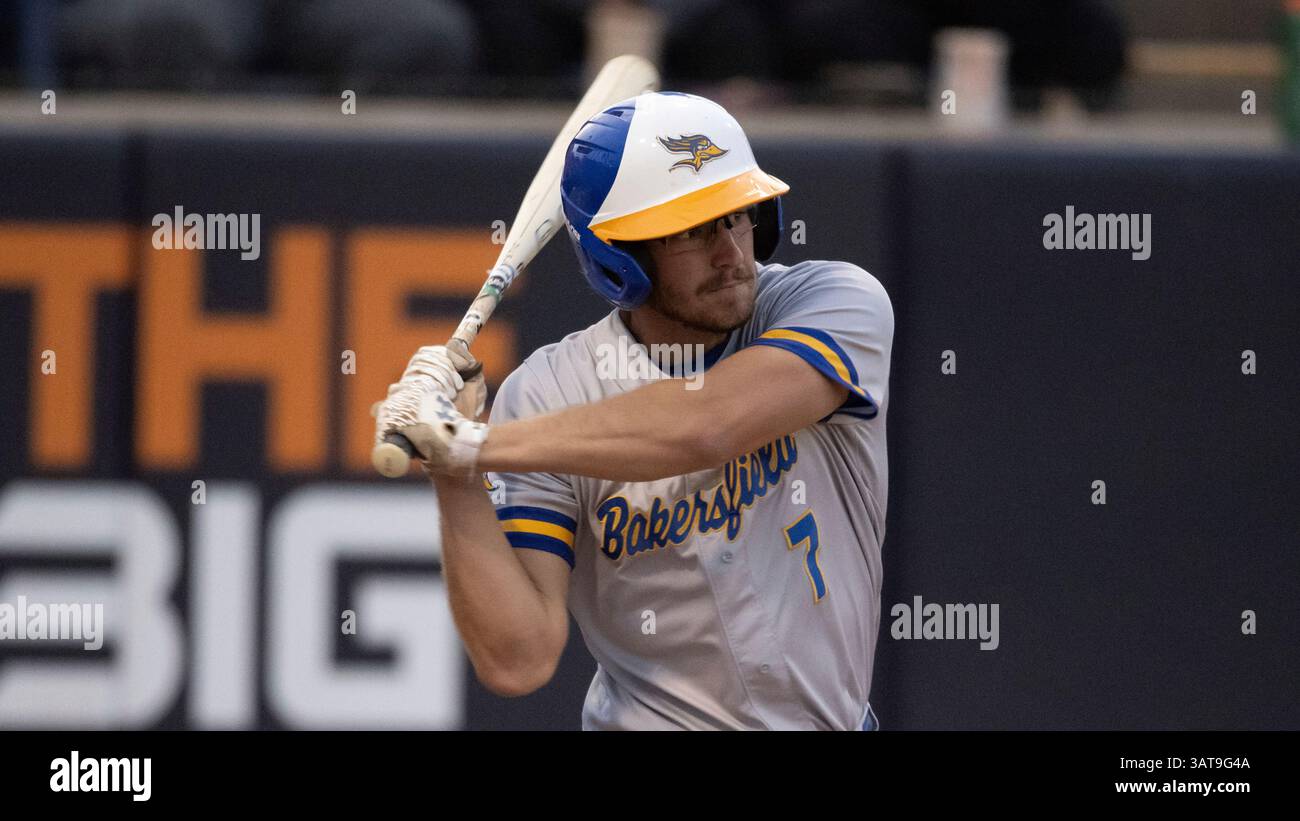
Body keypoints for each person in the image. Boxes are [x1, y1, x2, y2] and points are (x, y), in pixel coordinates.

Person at [374, 91, 894, 730]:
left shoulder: (835, 302)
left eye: (736, 217)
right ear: (622, 260)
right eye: (691, 233)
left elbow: (706, 425)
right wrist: (454, 476)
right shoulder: (550, 393)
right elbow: (518, 660)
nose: (732, 254)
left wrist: (470, 444)